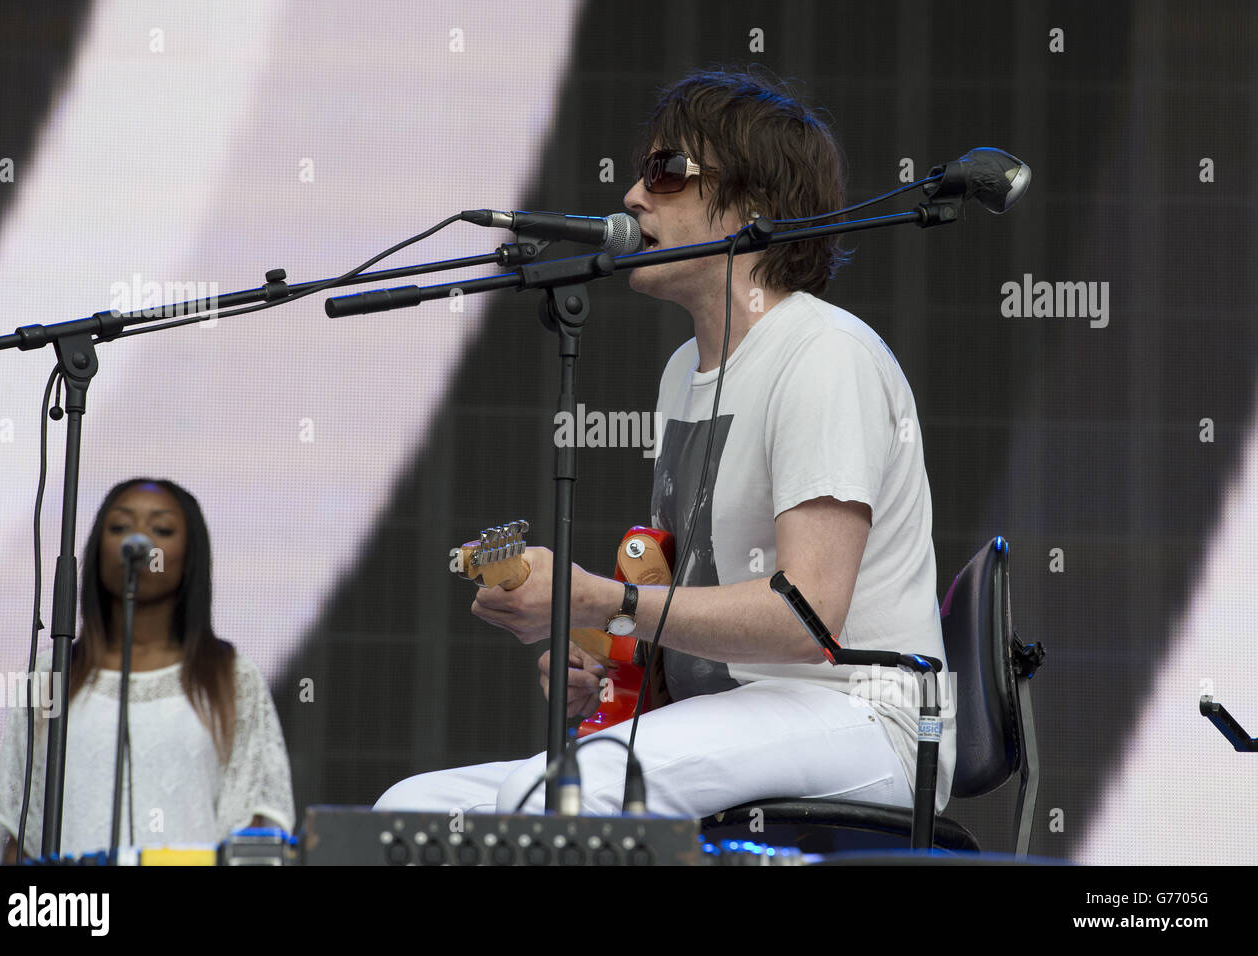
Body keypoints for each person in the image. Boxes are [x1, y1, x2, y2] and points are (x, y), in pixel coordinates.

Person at [376, 68, 955, 820]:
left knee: (558, 799)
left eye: (666, 172)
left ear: (757, 207)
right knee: (410, 809)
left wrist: (597, 595)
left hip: (864, 718)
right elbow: (686, 593)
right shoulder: (686, 368)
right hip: (739, 708)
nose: (632, 196)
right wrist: (603, 646)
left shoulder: (824, 354)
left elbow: (807, 618)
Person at [0, 478, 295, 862]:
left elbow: (260, 822)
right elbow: (20, 828)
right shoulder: (53, 673)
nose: (138, 543)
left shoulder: (231, 676)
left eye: (161, 529)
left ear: (191, 555)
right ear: (98, 550)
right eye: (120, 528)